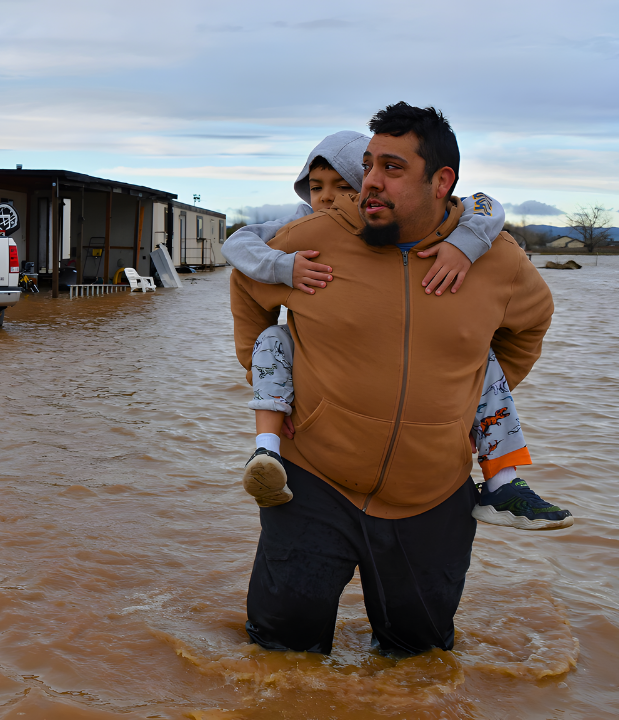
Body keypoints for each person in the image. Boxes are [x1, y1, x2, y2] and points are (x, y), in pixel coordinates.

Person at [229, 102, 556, 656]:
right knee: (280, 659)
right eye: (369, 164)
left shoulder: (495, 258)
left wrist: (458, 400)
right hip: (312, 485)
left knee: (419, 661)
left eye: (392, 168)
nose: (370, 183)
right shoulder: (315, 240)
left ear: (441, 181)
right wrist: (284, 392)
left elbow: (531, 324)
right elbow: (246, 286)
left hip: (433, 497)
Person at [224, 131, 571, 531]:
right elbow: (242, 257)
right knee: (273, 340)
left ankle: (503, 483)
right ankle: (266, 451)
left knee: (483, 358)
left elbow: (488, 209)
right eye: (316, 188)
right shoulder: (305, 234)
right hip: (315, 477)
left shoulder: (480, 245)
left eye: (342, 187)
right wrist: (281, 269)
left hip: (434, 491)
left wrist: (460, 404)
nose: (326, 198)